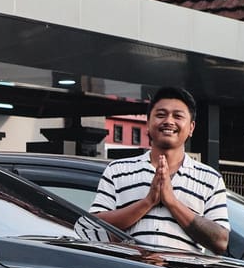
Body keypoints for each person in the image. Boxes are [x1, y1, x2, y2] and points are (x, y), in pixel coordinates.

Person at [89, 86, 229, 255]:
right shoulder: (117, 170)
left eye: (178, 116)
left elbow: (220, 242)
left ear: (191, 128)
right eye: (161, 115)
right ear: (147, 124)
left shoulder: (210, 179)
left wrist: (172, 202)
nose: (169, 121)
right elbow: (93, 227)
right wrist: (148, 201)